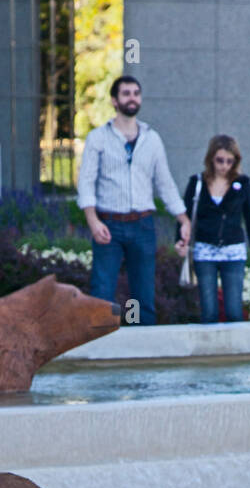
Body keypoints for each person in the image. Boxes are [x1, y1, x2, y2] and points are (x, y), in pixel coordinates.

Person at [77, 76, 189, 326]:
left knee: (142, 292)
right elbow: (86, 182)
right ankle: (101, 347)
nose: (132, 98)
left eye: (136, 93)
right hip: (109, 224)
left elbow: (165, 183)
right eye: (126, 93)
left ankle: (141, 347)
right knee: (103, 290)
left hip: (142, 225)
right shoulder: (98, 138)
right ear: (115, 101)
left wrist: (182, 218)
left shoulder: (152, 139)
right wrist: (93, 221)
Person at [176, 136, 250, 324]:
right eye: (220, 160)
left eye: (229, 161)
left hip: (233, 252)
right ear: (211, 159)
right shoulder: (197, 183)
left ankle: (235, 352)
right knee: (209, 312)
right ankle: (210, 352)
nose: (224, 166)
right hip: (204, 251)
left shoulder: (242, 184)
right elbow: (185, 215)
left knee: (233, 311)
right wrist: (180, 240)